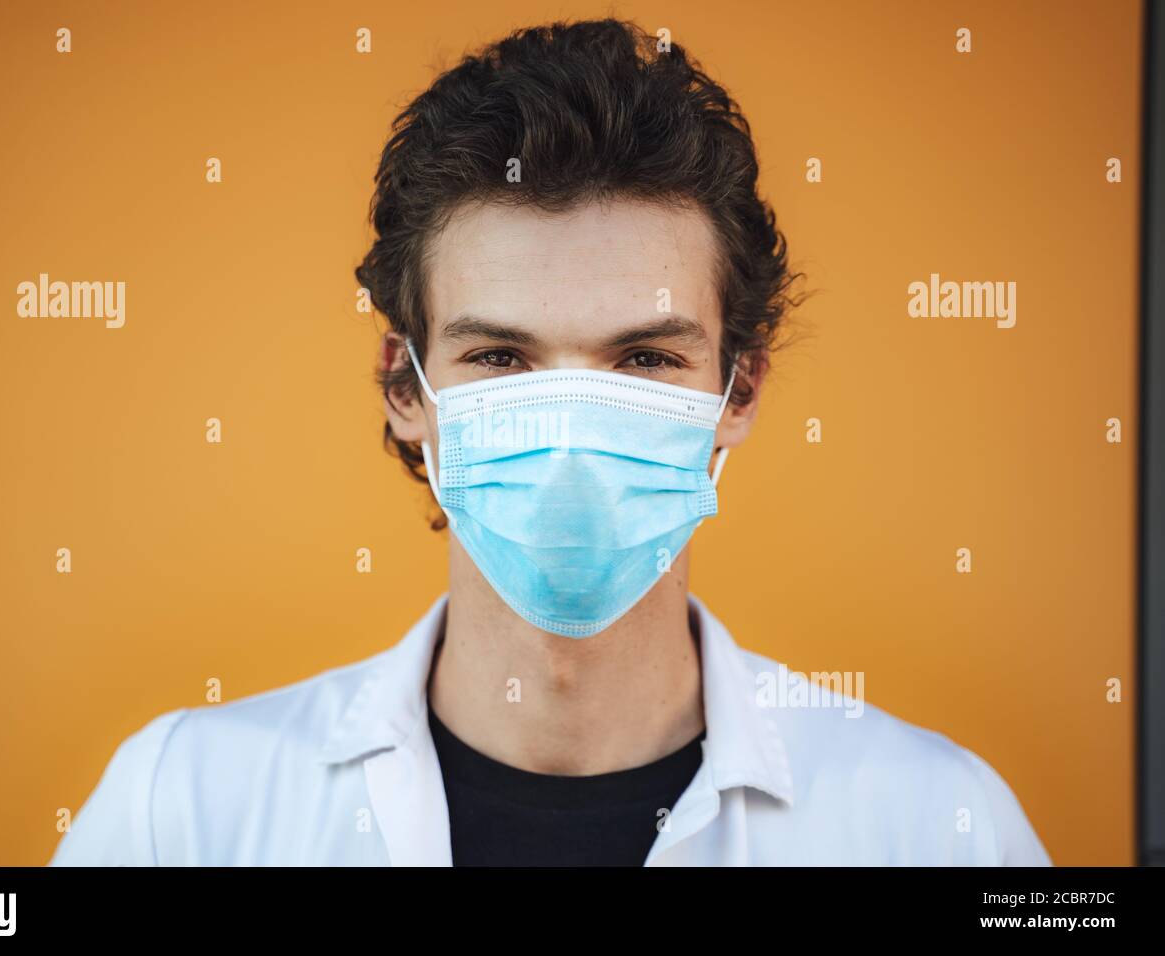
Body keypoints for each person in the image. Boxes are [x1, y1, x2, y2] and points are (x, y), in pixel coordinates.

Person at [51, 18, 1049, 866]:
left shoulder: (938, 826)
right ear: (407, 383)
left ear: (739, 386)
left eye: (645, 359)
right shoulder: (182, 810)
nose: (571, 435)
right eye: (500, 358)